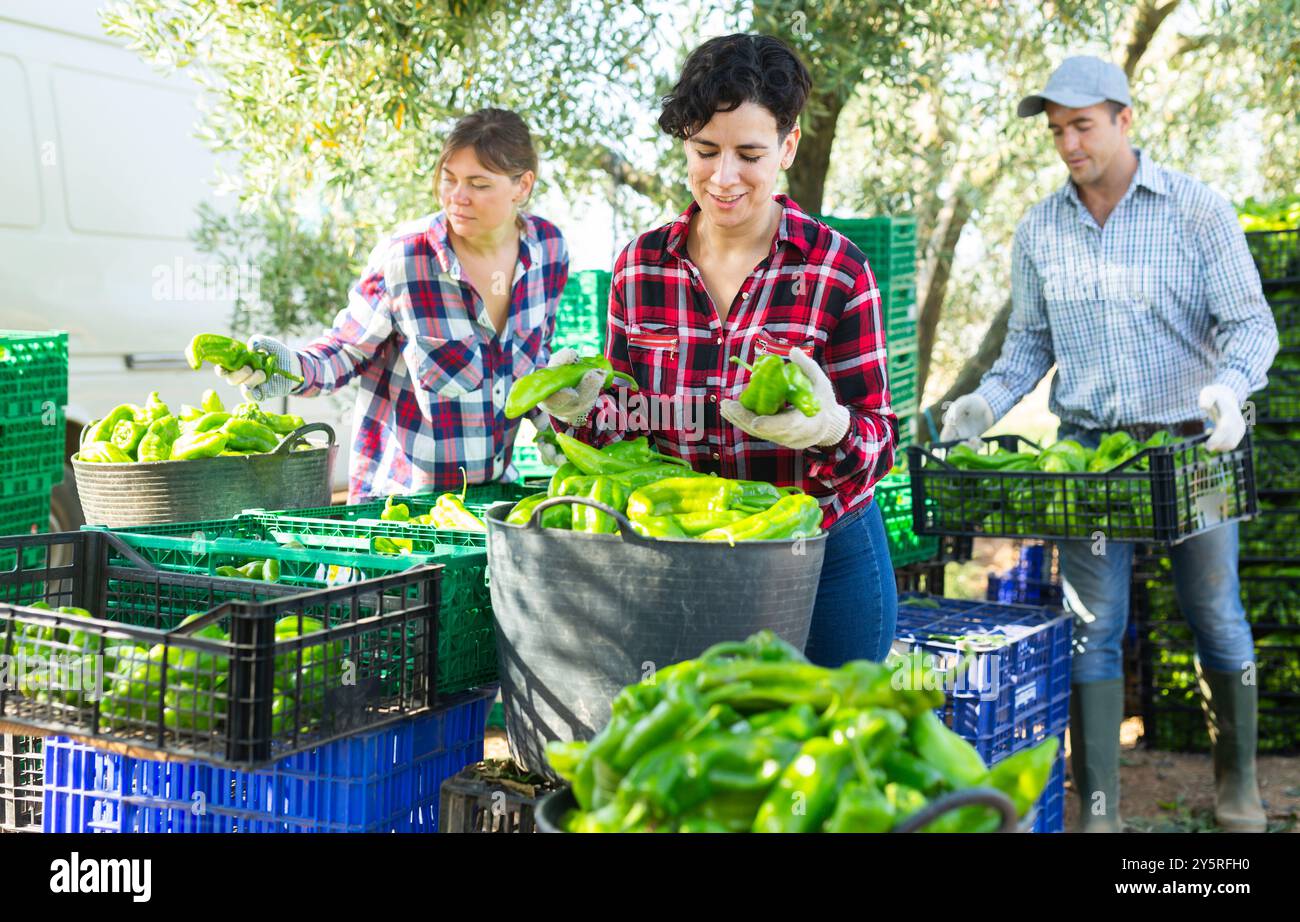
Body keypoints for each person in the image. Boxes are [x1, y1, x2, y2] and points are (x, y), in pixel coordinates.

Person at [941, 56, 1279, 832]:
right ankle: (1099, 814)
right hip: (1091, 461)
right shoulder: (1040, 228)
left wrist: (1231, 391)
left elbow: (1251, 324)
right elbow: (1026, 350)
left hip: (1195, 451)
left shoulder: (1195, 210)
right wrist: (980, 408)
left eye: (1081, 125)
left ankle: (1239, 792)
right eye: (1057, 130)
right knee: (1092, 627)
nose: (1067, 143)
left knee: (1215, 612)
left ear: (1126, 120)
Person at [540, 33, 899, 665]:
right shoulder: (641, 267)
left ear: (787, 148)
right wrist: (577, 411)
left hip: (818, 551)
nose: (724, 177)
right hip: (686, 552)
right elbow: (625, 429)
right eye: (706, 150)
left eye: (750, 154)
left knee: (830, 739)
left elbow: (879, 440)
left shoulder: (838, 270)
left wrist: (831, 427)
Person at [215, 108, 569, 501]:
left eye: (479, 184)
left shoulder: (548, 250)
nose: (457, 197)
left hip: (490, 500)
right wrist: (288, 369)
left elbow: (536, 362)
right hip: (399, 510)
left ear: (522, 186)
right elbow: (346, 350)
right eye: (449, 179)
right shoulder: (408, 256)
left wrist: (559, 423)